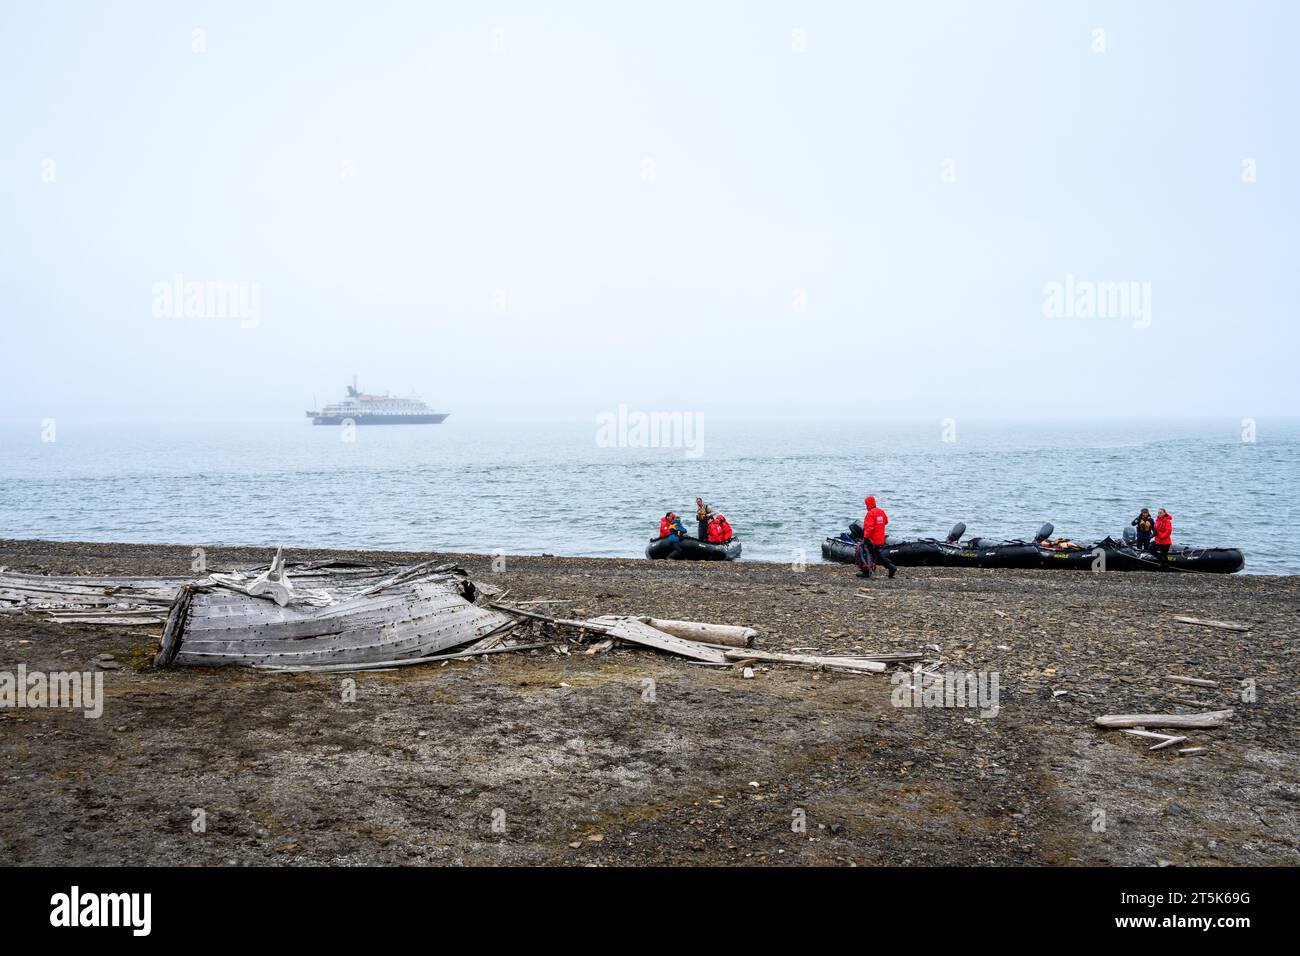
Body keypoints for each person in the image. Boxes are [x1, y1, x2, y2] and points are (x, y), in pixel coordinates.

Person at [862, 495, 897, 579]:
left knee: (867, 554)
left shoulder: (870, 513)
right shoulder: (881, 511)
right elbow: (885, 521)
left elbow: (869, 527)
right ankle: (870, 570)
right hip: (880, 539)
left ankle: (890, 567)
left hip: (871, 539)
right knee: (876, 555)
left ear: (867, 504)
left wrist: (865, 537)